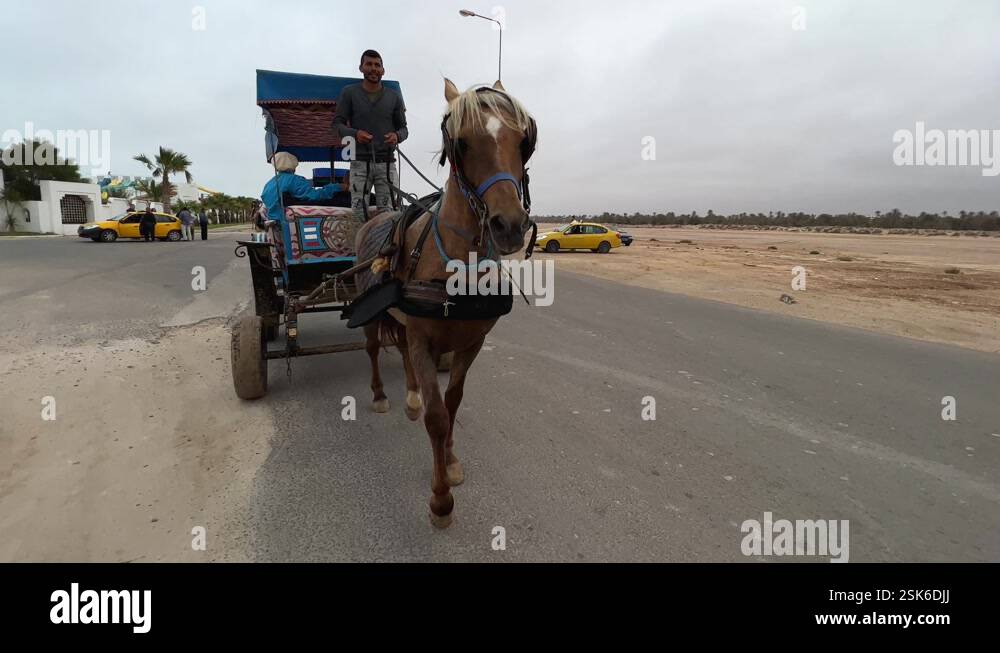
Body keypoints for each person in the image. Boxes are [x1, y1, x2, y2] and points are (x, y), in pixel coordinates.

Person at [332, 49, 408, 222]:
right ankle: (362, 249)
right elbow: (337, 125)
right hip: (359, 164)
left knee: (390, 214)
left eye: (377, 65)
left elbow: (404, 129)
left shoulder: (393, 97)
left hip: (387, 164)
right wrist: (355, 134)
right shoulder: (349, 93)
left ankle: (385, 249)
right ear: (361, 68)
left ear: (383, 70)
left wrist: (397, 136)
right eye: (369, 64)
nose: (373, 68)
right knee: (359, 214)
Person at [260, 152, 342, 222]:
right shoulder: (295, 180)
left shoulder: (268, 185)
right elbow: (314, 196)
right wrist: (337, 187)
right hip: (291, 226)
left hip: (275, 227)